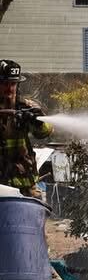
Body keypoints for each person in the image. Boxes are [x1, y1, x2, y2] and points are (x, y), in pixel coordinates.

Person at [0, 60, 49, 198]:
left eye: (13, 84)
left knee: (32, 214)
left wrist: (37, 121)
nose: (9, 88)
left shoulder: (27, 106)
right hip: (0, 186)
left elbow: (45, 132)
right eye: (4, 83)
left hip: (25, 184)